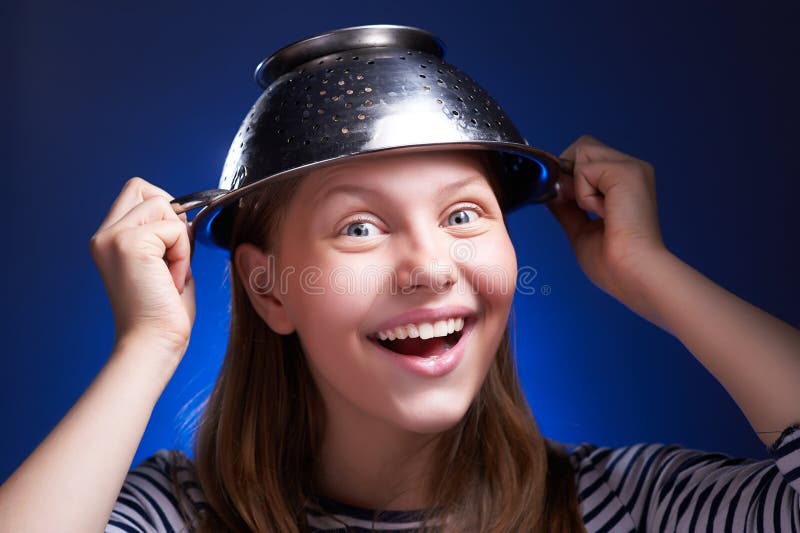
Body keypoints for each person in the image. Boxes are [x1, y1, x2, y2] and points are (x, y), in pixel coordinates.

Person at [0, 136, 797, 532]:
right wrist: (147, 346)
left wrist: (649, 269)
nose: (430, 267)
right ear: (267, 285)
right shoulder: (173, 514)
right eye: (359, 226)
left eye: (462, 215)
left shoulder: (624, 507)